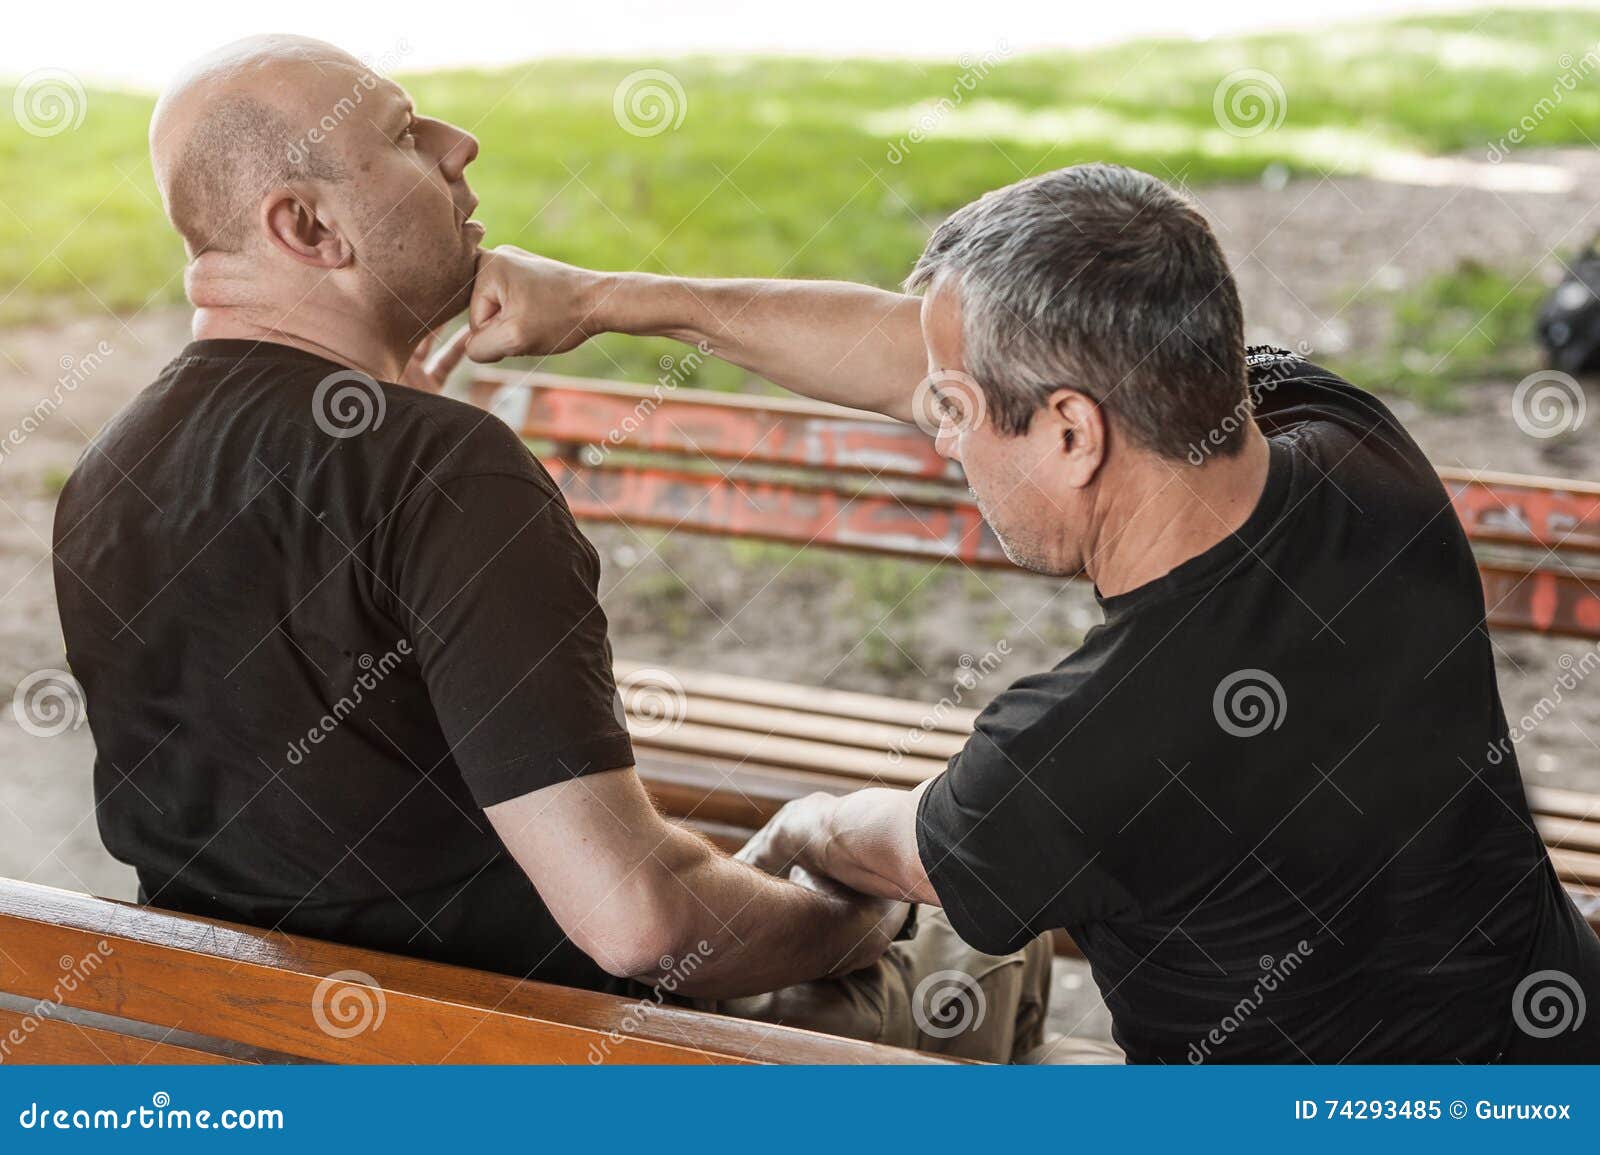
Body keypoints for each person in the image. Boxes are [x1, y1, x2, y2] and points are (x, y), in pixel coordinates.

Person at [52, 36, 1053, 1060]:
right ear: (308, 227)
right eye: (404, 136)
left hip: (247, 1045)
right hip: (538, 1062)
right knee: (977, 942)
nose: (460, 143)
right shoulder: (441, 470)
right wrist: (857, 919)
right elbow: (641, 924)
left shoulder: (109, 475)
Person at [464, 162, 1600, 1062]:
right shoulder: (1347, 443)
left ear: (1070, 432)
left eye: (956, 414)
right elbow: (909, 351)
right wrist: (607, 301)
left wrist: (808, 820)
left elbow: (896, 847)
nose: (938, 432)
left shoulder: (1081, 754)